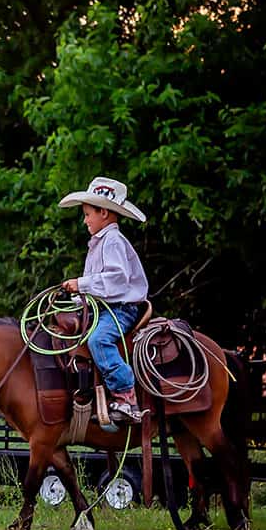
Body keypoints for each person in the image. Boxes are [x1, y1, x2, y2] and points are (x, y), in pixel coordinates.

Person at [58, 176, 150, 424]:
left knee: (99, 339)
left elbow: (117, 279)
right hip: (104, 307)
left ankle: (125, 397)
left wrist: (81, 284)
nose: (85, 220)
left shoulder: (113, 241)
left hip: (121, 310)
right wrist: (75, 299)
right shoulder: (98, 244)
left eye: (88, 214)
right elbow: (97, 288)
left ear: (104, 213)